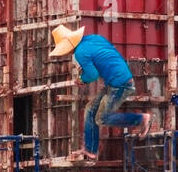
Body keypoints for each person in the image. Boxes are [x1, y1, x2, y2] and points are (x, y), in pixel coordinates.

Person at [50, 24, 150, 161]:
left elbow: (92, 75)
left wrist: (81, 79)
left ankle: (141, 119)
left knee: (101, 118)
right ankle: (91, 150)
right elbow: (107, 55)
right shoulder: (94, 38)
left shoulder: (79, 52)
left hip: (119, 84)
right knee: (90, 109)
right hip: (118, 79)